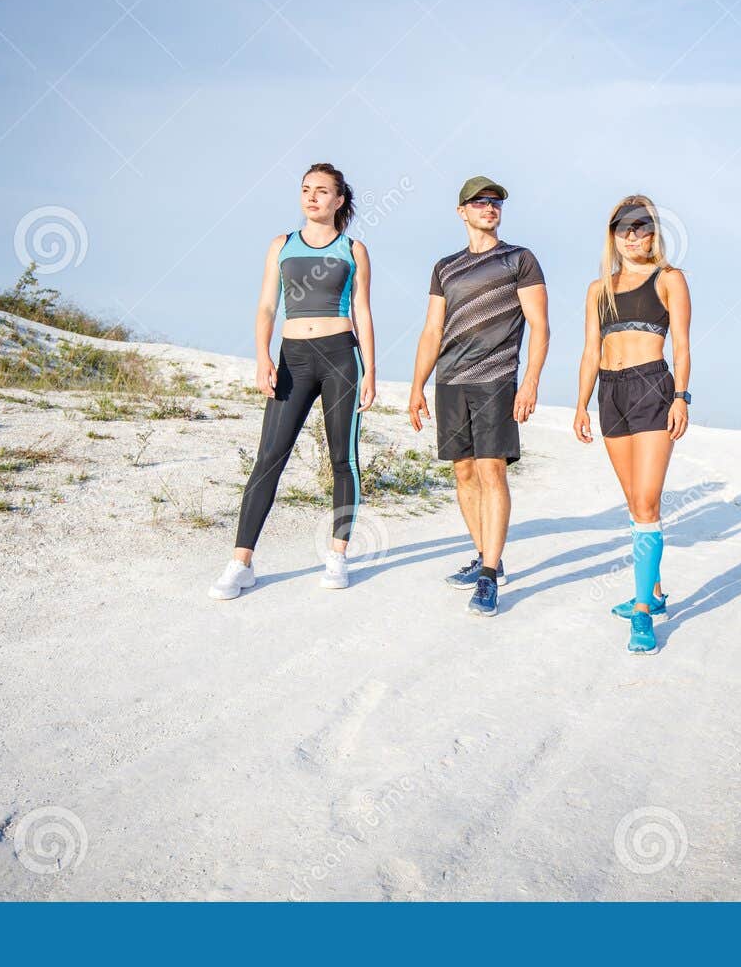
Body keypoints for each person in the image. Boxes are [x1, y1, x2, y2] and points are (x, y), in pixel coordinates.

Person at [208, 163, 375, 599]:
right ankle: (240, 563)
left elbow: (363, 312)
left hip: (341, 358)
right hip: (293, 359)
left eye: (322, 191)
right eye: (306, 189)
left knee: (344, 458)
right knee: (268, 457)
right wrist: (262, 356)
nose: (312, 197)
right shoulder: (281, 245)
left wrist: (371, 369)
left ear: (339, 201)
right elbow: (267, 306)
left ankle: (337, 556)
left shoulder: (353, 249)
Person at [408, 175, 548, 617]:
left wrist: (530, 382)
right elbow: (433, 329)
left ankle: (488, 578)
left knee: (492, 471)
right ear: (462, 211)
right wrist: (416, 387)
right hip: (450, 380)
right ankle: (487, 556)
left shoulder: (519, 260)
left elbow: (540, 327)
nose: (490, 208)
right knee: (463, 472)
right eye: (480, 202)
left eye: (496, 203)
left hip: (496, 379)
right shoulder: (444, 267)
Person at [573, 196, 692, 655]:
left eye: (642, 226)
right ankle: (655, 591)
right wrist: (581, 405)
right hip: (610, 392)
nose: (633, 234)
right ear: (612, 234)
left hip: (652, 388)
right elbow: (588, 350)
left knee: (646, 502)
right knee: (633, 500)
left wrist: (681, 396)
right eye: (624, 227)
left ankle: (643, 613)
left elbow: (681, 345)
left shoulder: (669, 279)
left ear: (654, 231)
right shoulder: (597, 289)